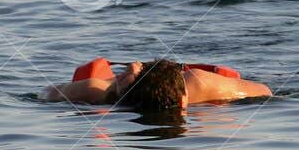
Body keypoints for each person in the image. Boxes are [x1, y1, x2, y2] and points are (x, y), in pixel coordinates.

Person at [40, 58, 272, 111]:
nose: (133, 65)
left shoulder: (95, 91)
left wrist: (113, 87)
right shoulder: (201, 83)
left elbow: (46, 93)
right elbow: (266, 91)